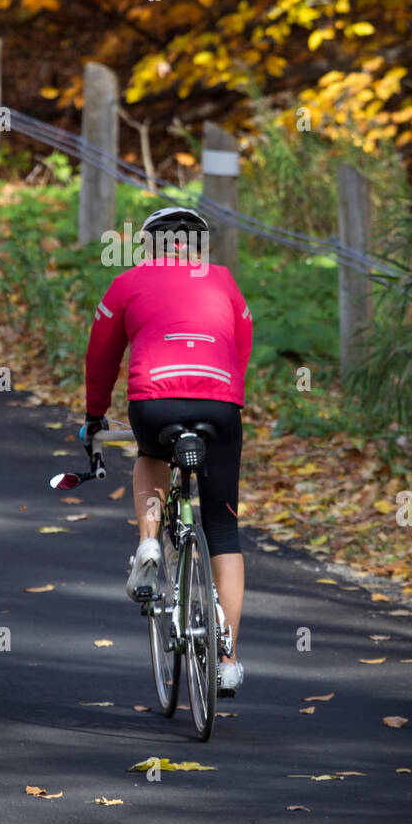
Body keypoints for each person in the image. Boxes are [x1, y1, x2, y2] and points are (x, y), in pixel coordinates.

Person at [81, 206, 252, 691]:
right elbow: (242, 343)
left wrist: (95, 415)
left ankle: (149, 543)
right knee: (222, 527)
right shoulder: (224, 281)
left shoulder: (128, 282)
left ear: (149, 246)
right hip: (220, 402)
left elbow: (101, 353)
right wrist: (226, 393)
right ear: (198, 247)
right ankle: (228, 659)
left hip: (154, 401)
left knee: (151, 455)